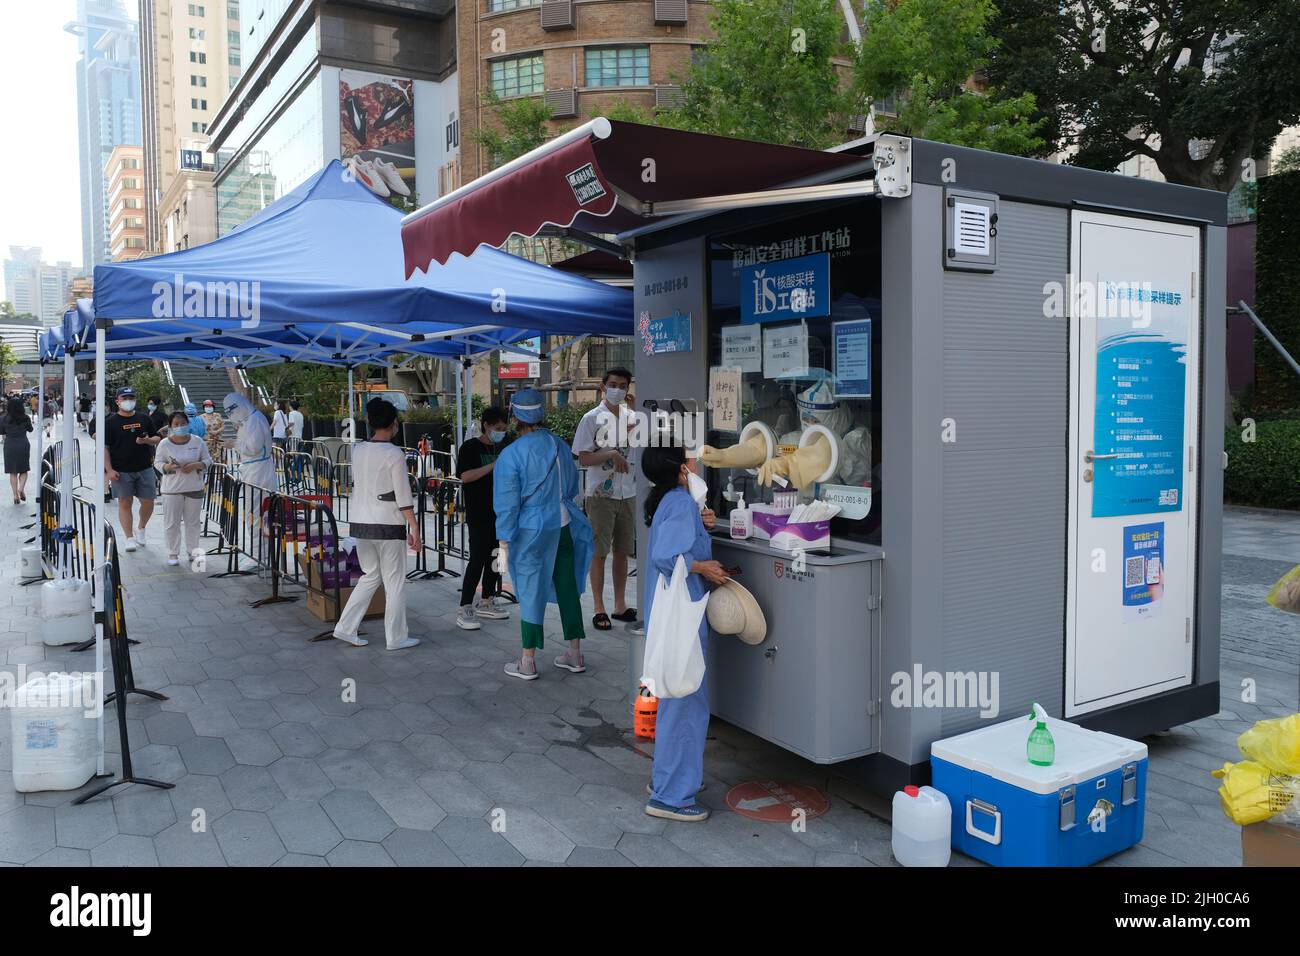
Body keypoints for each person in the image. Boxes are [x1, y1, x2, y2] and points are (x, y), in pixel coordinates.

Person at [641, 442, 728, 822]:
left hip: (673, 614)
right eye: (689, 461)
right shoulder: (678, 502)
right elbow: (667, 557)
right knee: (685, 699)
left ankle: (669, 779)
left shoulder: (675, 501)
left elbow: (675, 543)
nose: (694, 465)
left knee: (677, 699)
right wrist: (704, 567)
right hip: (683, 619)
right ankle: (671, 797)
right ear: (679, 469)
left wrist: (700, 523)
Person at [494, 388, 594, 680]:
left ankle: (527, 661)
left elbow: (507, 503)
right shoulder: (559, 445)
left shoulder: (511, 455)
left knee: (529, 589)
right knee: (568, 587)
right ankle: (575, 654)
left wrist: (503, 543)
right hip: (563, 525)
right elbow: (572, 486)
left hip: (530, 530)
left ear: (514, 415)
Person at [332, 398, 421, 651]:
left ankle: (345, 627)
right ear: (394, 424)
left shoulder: (358, 450)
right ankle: (396, 637)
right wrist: (414, 528)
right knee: (394, 582)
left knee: (370, 576)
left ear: (370, 423)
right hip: (388, 524)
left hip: (360, 523)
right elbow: (404, 497)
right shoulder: (394, 453)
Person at [572, 367, 637, 631]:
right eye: (613, 384)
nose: (618, 389)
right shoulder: (592, 418)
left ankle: (619, 605)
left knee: (623, 551)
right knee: (599, 552)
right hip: (601, 494)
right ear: (602, 387)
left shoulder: (634, 417)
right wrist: (610, 453)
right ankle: (599, 606)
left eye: (623, 385)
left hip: (628, 492)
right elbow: (583, 457)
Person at [455, 406, 511, 630]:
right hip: (479, 513)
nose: (501, 432)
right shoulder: (470, 447)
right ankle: (465, 604)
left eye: (504, 429)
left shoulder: (505, 446)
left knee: (496, 558)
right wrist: (492, 466)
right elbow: (465, 476)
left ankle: (488, 599)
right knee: (477, 557)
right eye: (497, 428)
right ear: (486, 425)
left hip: (503, 512)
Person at [93, 386, 161, 551]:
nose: (128, 401)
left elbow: (157, 437)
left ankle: (142, 527)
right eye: (124, 398)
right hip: (121, 470)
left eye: (131, 398)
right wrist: (108, 470)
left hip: (145, 467)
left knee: (148, 501)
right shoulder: (109, 423)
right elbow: (104, 448)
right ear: (117, 401)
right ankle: (129, 537)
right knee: (125, 502)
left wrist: (147, 441)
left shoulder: (144, 418)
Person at [156, 409, 212, 566]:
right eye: (176, 424)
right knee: (172, 522)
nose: (180, 426)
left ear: (188, 424)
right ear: (171, 426)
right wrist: (167, 466)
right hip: (172, 489)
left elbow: (208, 460)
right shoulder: (164, 444)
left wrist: (196, 465)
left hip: (194, 487)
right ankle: (173, 553)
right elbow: (157, 462)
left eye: (183, 423)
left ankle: (193, 552)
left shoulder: (197, 441)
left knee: (193, 522)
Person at [222, 392, 277, 491]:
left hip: (258, 471)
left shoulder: (254, 420)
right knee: (255, 502)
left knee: (256, 503)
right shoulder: (249, 420)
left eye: (232, 411)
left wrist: (234, 444)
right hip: (254, 468)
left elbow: (254, 448)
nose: (232, 415)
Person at [3, 396, 33, 504]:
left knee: (13, 472)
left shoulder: (4, 418)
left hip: (10, 445)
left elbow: (2, 431)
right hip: (23, 444)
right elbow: (30, 429)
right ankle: (21, 489)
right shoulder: (25, 418)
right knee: (24, 470)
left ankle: (15, 495)